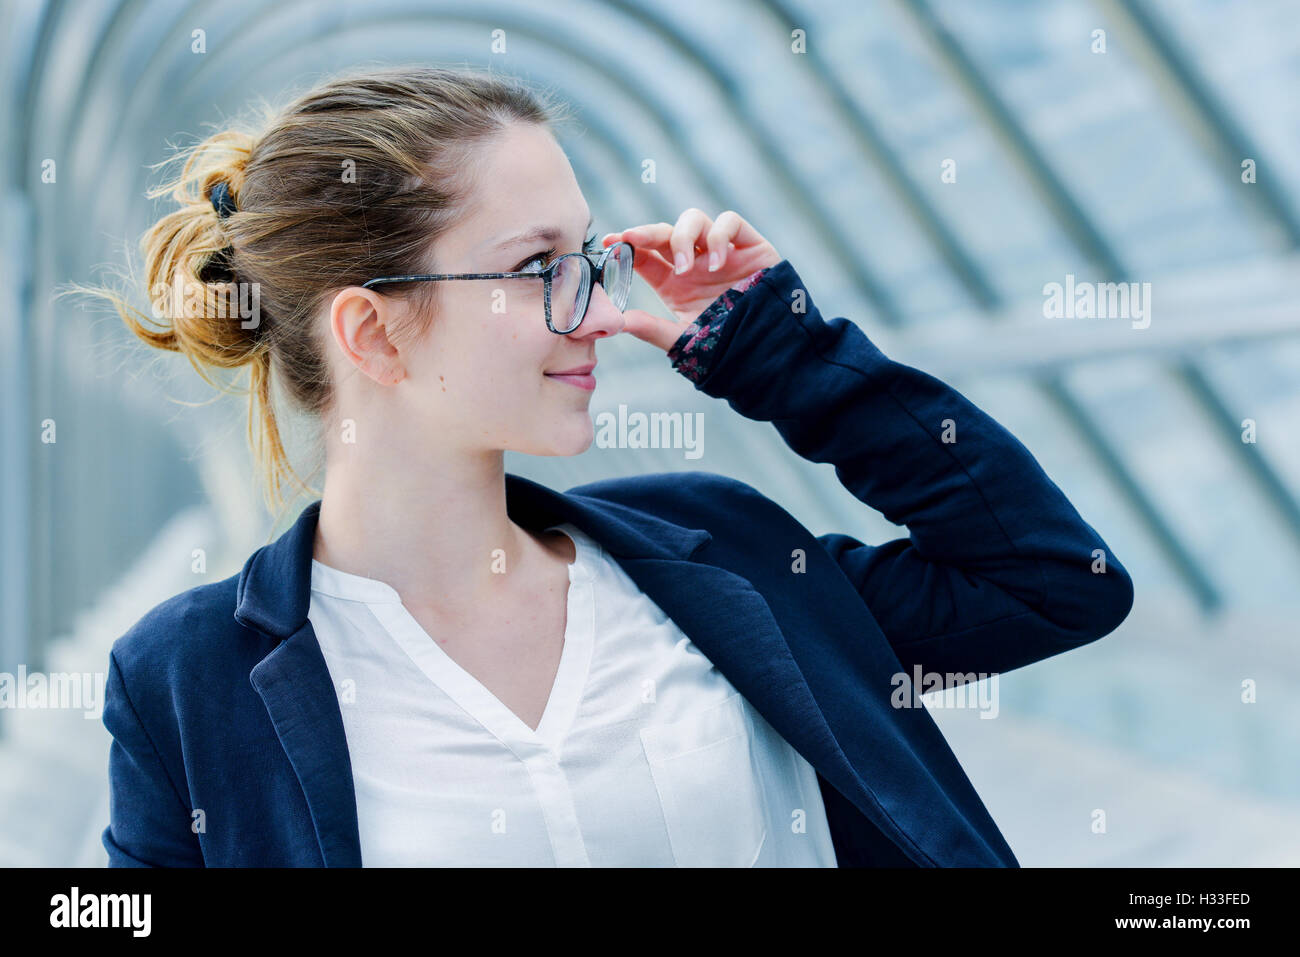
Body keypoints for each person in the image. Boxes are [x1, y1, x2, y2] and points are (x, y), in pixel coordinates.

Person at [89, 65, 1133, 867]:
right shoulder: (186, 685)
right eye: (540, 269)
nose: (595, 311)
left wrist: (784, 350)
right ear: (372, 332)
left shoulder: (725, 555)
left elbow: (1050, 585)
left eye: (589, 260)